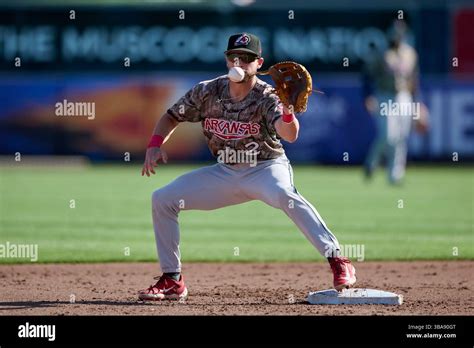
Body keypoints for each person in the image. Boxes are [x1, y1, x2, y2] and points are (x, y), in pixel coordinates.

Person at [138, 33, 356, 301]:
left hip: (265, 168)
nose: (239, 62)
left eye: (247, 58)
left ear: (259, 62)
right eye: (233, 56)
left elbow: (289, 135)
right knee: (163, 199)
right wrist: (155, 144)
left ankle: (338, 260)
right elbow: (172, 116)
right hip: (225, 171)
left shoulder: (267, 95)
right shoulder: (208, 91)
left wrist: (288, 112)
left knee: (286, 196)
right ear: (227, 59)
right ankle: (172, 280)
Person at [363, 21, 428, 184]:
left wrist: (418, 104)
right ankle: (371, 163)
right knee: (387, 135)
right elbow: (368, 76)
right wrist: (368, 96)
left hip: (404, 97)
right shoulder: (381, 53)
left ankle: (395, 174)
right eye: (394, 35)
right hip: (385, 96)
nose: (396, 38)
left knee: (402, 135)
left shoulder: (410, 53)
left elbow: (414, 80)